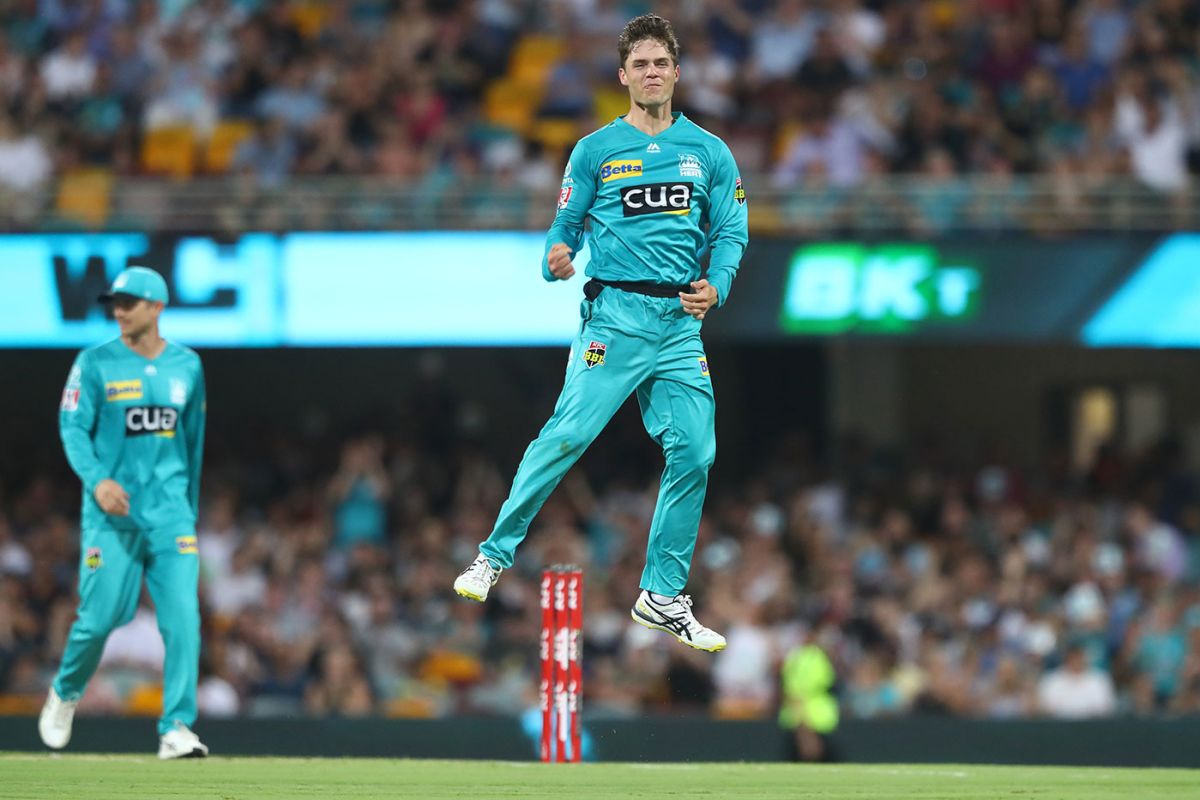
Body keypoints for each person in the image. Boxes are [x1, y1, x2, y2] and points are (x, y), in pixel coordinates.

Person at [455, 14, 748, 653]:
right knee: (569, 435)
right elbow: (564, 228)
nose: (651, 73)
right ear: (623, 76)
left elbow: (730, 231)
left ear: (677, 72)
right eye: (639, 64)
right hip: (614, 320)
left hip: (678, 326)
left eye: (661, 63)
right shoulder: (594, 150)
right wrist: (555, 257)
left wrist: (717, 284)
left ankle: (661, 595)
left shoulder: (710, 152)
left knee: (695, 454)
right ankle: (493, 556)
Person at [39, 267, 209, 759]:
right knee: (101, 618)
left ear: (157, 307)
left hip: (171, 518)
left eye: (129, 302)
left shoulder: (188, 367)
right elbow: (72, 428)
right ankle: (66, 692)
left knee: (183, 620)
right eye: (115, 302)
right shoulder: (94, 363)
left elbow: (191, 443)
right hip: (111, 517)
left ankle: (176, 726)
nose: (119, 310)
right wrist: (99, 482)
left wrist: (188, 508)